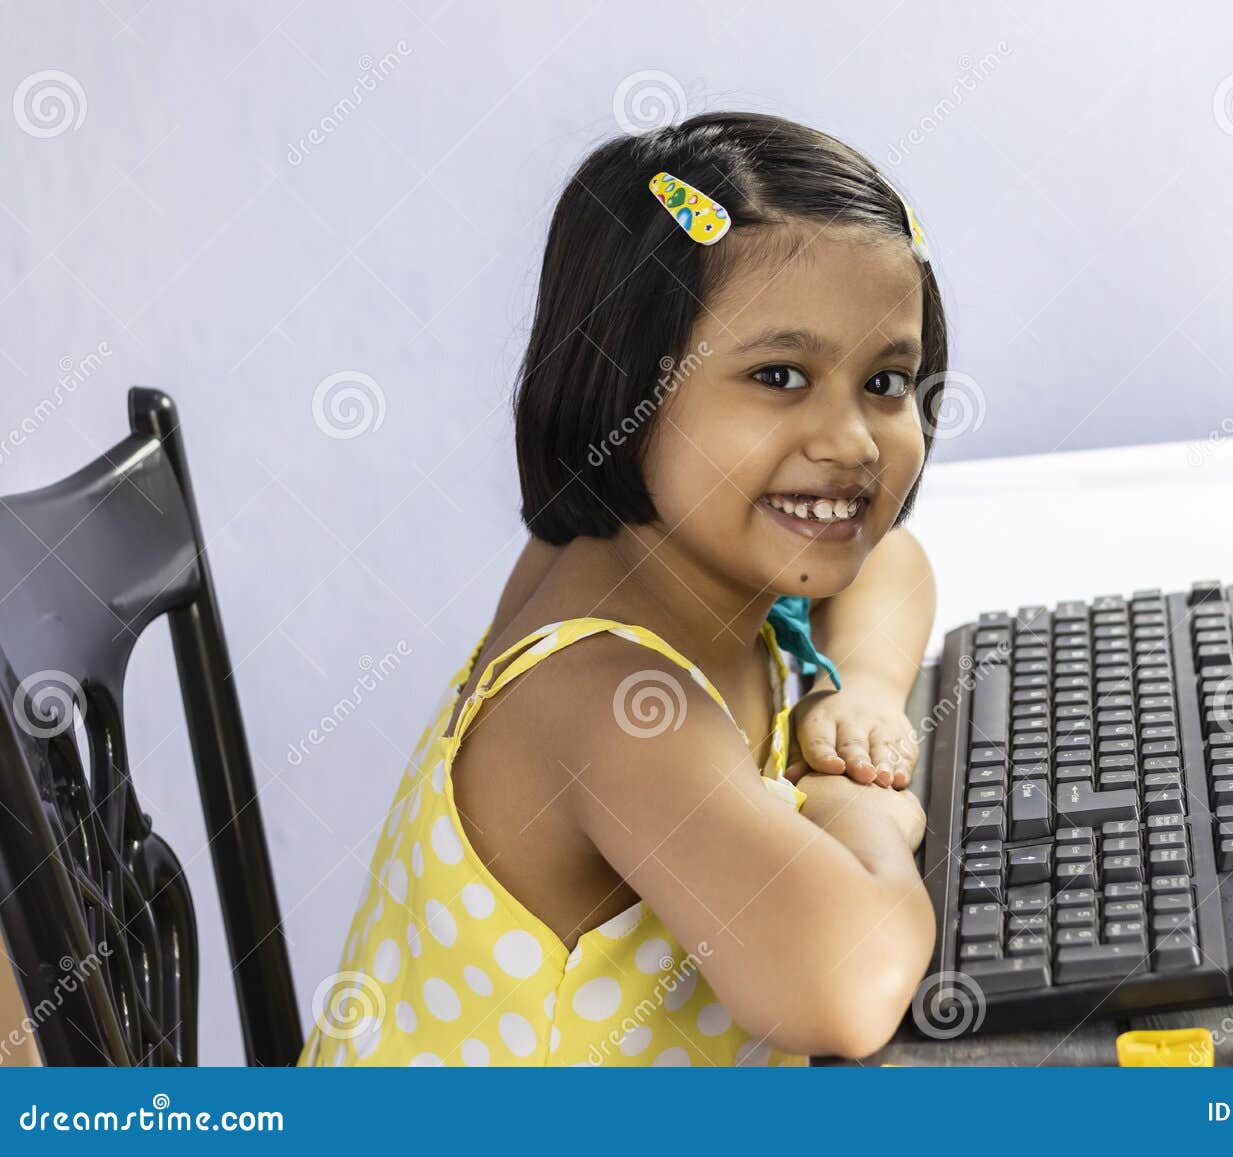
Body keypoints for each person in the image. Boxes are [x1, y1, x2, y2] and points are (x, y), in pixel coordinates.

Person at [301, 111, 949, 1067]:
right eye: (780, 374)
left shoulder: (680, 555)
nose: (852, 441)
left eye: (887, 382)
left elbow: (892, 558)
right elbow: (843, 988)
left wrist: (863, 688)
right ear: (628, 392)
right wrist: (859, 813)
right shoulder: (608, 700)